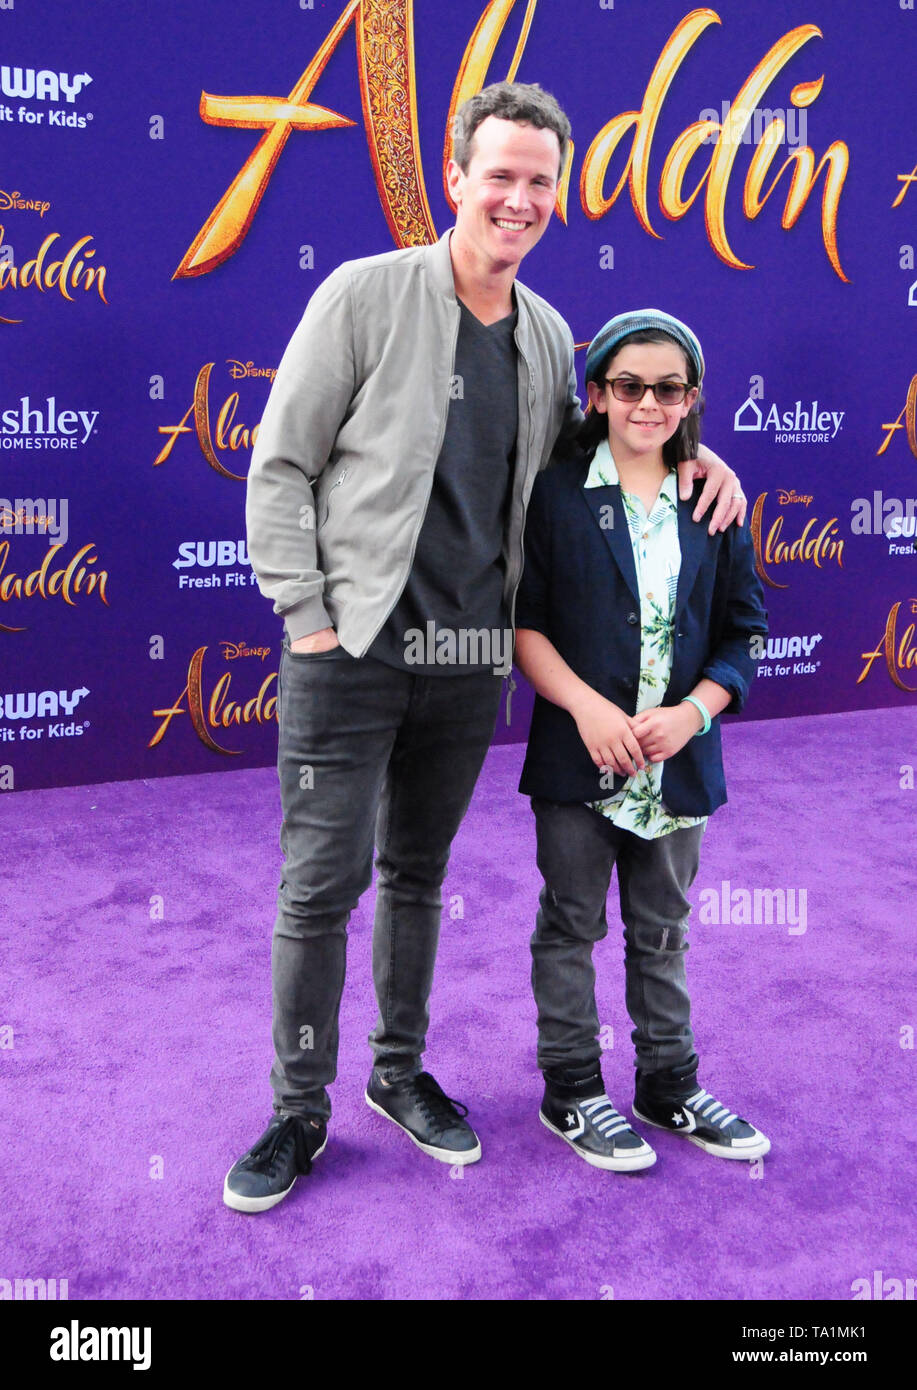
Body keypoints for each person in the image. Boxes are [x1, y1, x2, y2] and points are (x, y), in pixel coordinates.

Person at [224, 84, 746, 1213]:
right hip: (347, 651)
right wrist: (305, 614)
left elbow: (605, 446)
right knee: (319, 887)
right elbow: (281, 466)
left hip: (470, 658)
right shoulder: (363, 295)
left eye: (538, 182)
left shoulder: (552, 335)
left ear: (555, 197)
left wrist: (703, 458)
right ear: (453, 178)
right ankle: (295, 1111)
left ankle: (396, 1073)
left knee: (419, 875)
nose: (516, 198)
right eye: (497, 174)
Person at [513, 309, 770, 1172]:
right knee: (570, 924)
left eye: (667, 389)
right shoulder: (552, 495)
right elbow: (525, 625)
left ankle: (667, 1084)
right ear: (596, 393)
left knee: (661, 929)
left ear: (690, 399)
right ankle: (573, 1090)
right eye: (628, 386)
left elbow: (742, 635)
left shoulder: (713, 499)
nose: (647, 403)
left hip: (678, 767)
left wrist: (693, 711)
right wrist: (586, 709)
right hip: (576, 760)